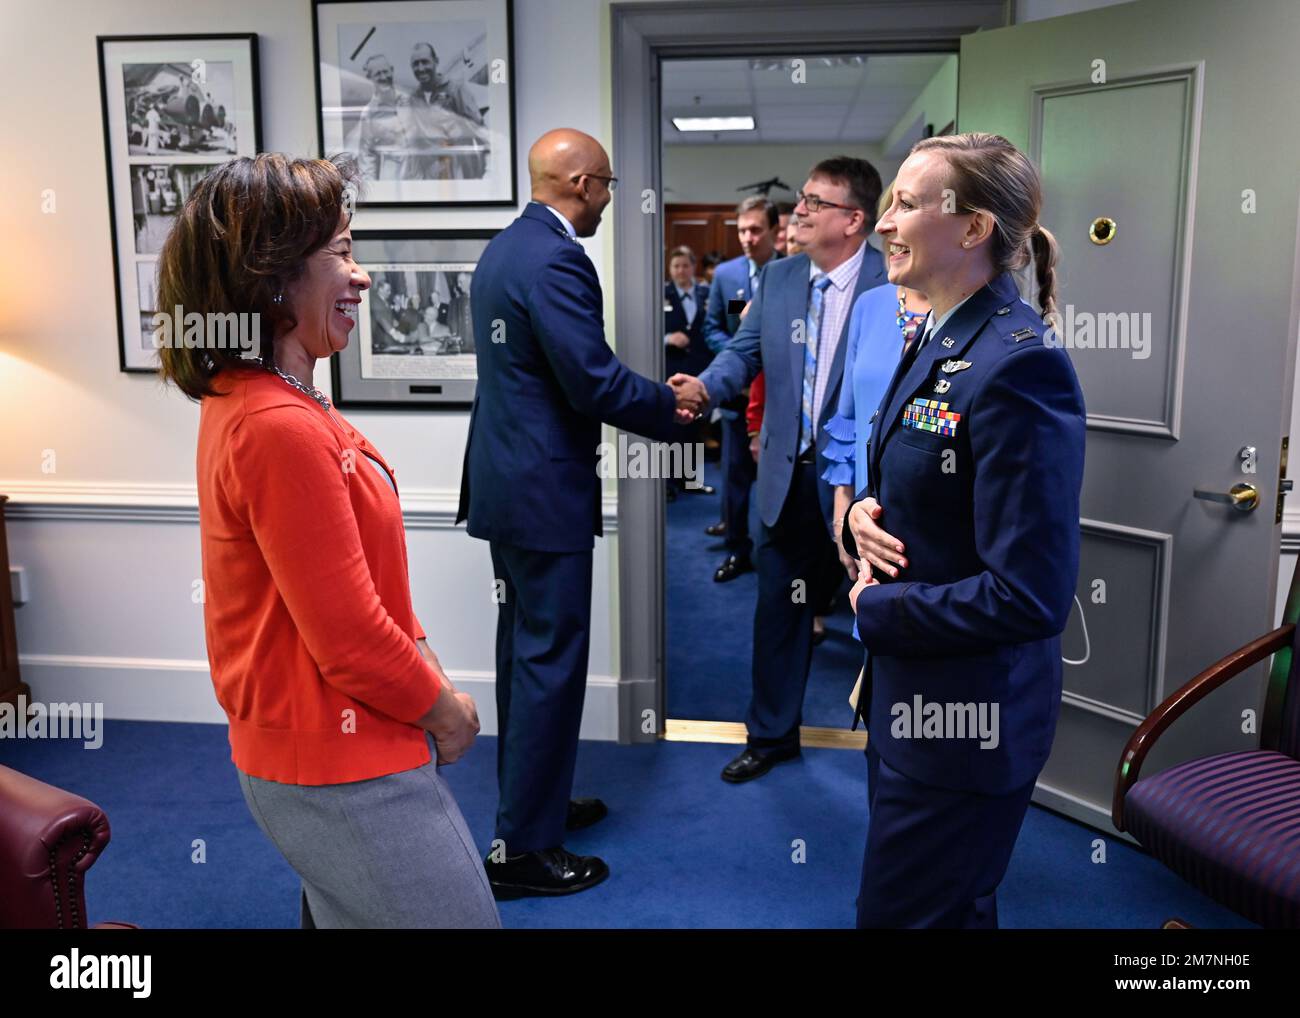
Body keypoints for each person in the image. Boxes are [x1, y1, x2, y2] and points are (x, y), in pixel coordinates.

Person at [156, 153, 500, 929]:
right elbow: (346, 638)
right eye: (341, 252)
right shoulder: (275, 424)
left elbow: (362, 588)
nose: (363, 275)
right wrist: (444, 710)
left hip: (333, 748)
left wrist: (421, 657)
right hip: (339, 762)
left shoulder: (271, 401)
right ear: (271, 278)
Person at [842, 132, 1085, 928]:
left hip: (966, 725)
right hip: (914, 702)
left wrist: (877, 611)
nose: (883, 222)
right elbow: (909, 474)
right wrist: (858, 513)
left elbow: (1030, 596)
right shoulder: (942, 333)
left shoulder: (1018, 365)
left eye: (907, 204)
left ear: (973, 228)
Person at [457, 128, 700, 898]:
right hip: (544, 494)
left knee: (525, 659)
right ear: (582, 185)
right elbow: (591, 382)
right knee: (549, 666)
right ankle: (523, 851)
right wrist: (676, 407)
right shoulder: (560, 257)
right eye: (607, 186)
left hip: (507, 488)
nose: (607, 200)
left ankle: (533, 807)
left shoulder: (503, 249)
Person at [670, 156, 887, 783]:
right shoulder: (783, 279)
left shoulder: (893, 279)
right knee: (780, 610)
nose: (801, 210)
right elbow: (743, 351)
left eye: (818, 202)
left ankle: (890, 746)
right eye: (802, 199)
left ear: (854, 219)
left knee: (879, 613)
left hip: (868, 490)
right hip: (788, 479)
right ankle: (770, 735)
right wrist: (706, 389)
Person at [822, 184, 931, 581]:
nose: (884, 226)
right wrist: (843, 513)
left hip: (933, 535)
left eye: (905, 208)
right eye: (889, 210)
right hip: (866, 522)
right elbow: (847, 419)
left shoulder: (975, 321)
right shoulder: (870, 305)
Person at [701, 196, 781, 582]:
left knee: (780, 482)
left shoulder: (793, 271)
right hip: (737, 399)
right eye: (742, 230)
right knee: (733, 481)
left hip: (782, 399)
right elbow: (712, 328)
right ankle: (737, 550)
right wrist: (737, 356)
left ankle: (781, 556)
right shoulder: (727, 276)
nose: (747, 238)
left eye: (755, 230)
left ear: (774, 231)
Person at [664, 245, 715, 499]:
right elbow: (646, 328)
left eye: (685, 265)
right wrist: (666, 338)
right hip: (672, 370)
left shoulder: (708, 292)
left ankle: (692, 479)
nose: (681, 271)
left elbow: (736, 308)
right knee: (674, 426)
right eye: (676, 266)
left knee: (696, 426)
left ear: (693, 267)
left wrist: (747, 305)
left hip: (701, 368)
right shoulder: (661, 294)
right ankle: (670, 483)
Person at [399, 42, 487, 180]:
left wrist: (485, 170)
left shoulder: (455, 90)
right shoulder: (414, 99)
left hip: (460, 171)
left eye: (425, 62)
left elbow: (479, 129)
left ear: (436, 61)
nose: (421, 68)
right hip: (432, 176)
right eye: (416, 64)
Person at [355, 54, 407, 181]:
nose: (383, 77)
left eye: (386, 72)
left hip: (421, 182)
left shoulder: (409, 101)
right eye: (378, 74)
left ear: (392, 70)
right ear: (370, 77)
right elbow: (367, 157)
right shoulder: (369, 113)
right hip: (392, 182)